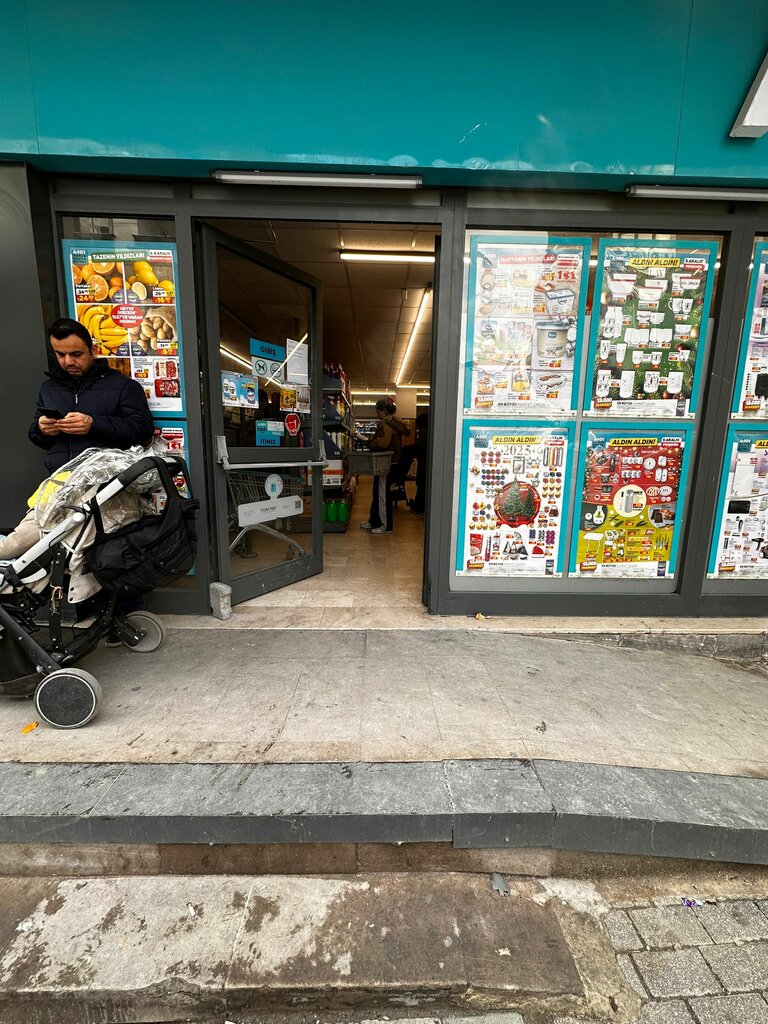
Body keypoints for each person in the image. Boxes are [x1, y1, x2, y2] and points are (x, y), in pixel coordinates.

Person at [29, 317, 154, 472]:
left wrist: (94, 424)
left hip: (109, 480)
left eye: (76, 354)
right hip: (61, 480)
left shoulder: (123, 386)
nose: (68, 361)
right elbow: (36, 437)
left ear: (93, 351)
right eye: (60, 354)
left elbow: (143, 430)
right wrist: (42, 430)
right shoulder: (49, 388)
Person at [358, 398, 409, 534]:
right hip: (386, 462)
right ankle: (374, 521)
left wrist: (369, 442)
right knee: (377, 493)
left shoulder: (387, 424)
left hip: (386, 463)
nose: (377, 414)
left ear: (384, 411)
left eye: (378, 412)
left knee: (382, 495)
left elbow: (383, 443)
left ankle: (385, 525)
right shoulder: (393, 422)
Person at [393, 411, 428, 515]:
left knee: (422, 486)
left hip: (424, 464)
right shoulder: (430, 431)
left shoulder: (424, 432)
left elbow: (419, 447)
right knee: (422, 485)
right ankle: (419, 506)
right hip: (425, 463)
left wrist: (406, 449)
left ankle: (419, 508)